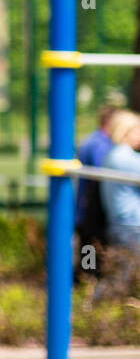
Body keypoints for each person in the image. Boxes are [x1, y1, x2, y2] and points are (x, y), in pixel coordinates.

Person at [74, 105, 116, 278]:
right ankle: (86, 290)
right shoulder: (101, 144)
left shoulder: (91, 140)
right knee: (90, 258)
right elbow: (101, 175)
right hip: (90, 212)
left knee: (87, 252)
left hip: (84, 210)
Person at [100, 109, 140, 270]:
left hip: (121, 223)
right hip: (132, 225)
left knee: (123, 273)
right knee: (126, 273)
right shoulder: (124, 157)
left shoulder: (113, 154)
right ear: (126, 131)